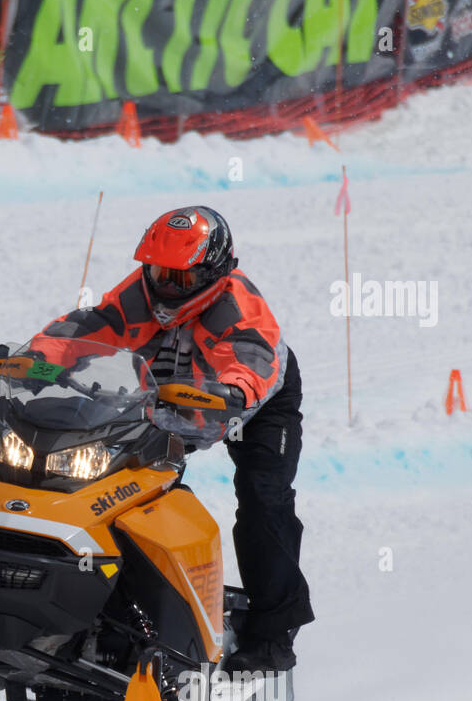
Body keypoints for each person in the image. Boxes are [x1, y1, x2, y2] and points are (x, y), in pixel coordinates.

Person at [31, 206, 314, 672]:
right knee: (113, 482)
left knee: (265, 501)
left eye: (180, 279)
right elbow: (86, 329)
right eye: (158, 271)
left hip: (250, 404)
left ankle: (272, 636)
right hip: (165, 393)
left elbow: (251, 359)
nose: (165, 286)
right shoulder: (139, 294)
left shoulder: (238, 310)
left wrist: (234, 390)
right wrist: (34, 358)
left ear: (213, 273)